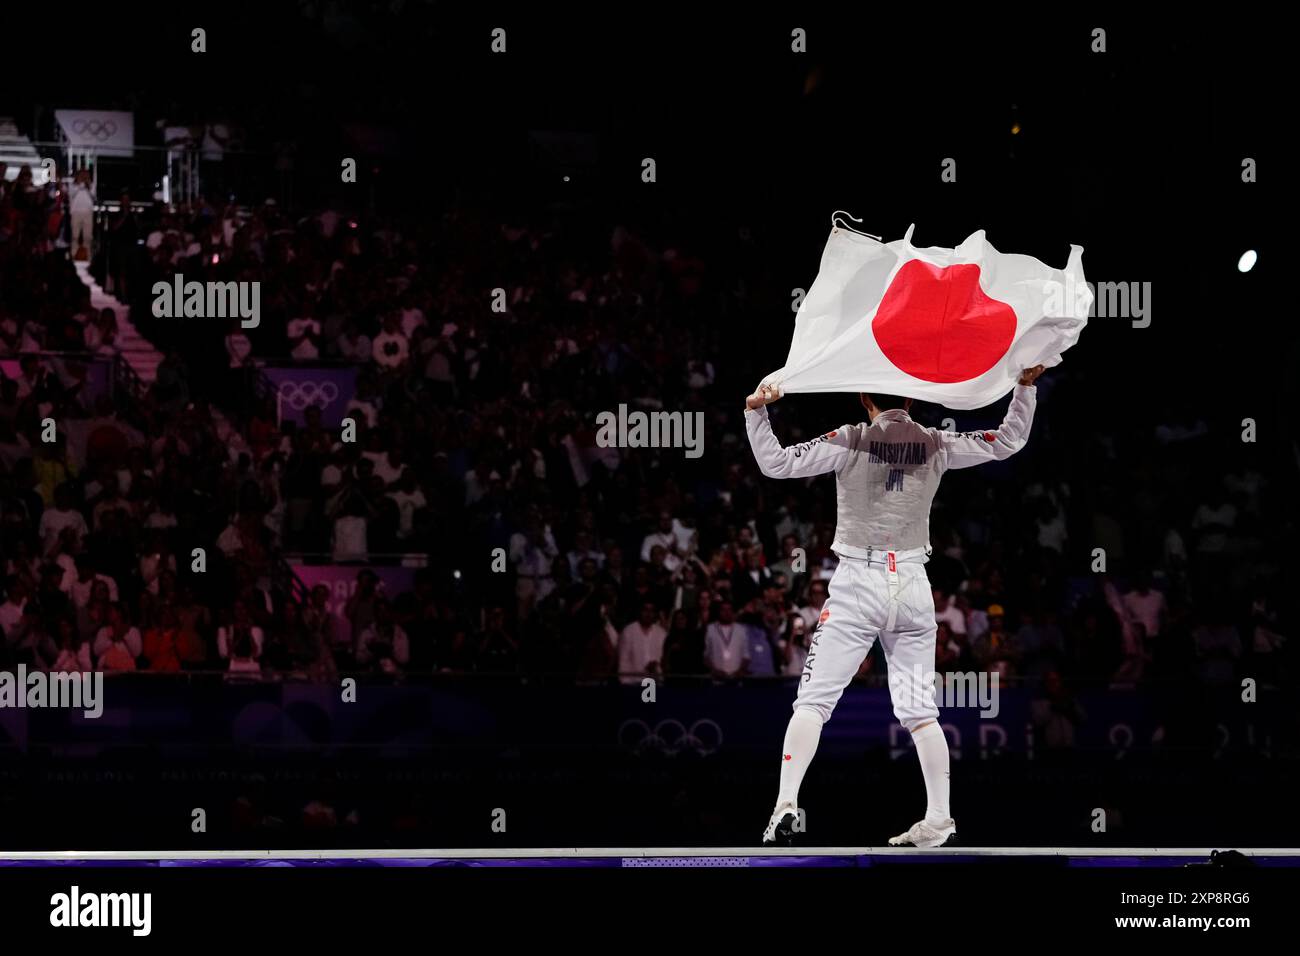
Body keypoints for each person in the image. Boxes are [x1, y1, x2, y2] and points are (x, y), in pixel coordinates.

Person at [745, 365, 1045, 848]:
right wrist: (1025, 386)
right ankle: (940, 818)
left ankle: (785, 805)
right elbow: (1008, 440)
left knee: (814, 704)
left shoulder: (850, 438)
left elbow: (776, 463)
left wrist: (757, 413)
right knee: (920, 713)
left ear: (864, 398)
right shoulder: (936, 442)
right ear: (914, 398)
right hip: (912, 584)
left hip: (858, 583)